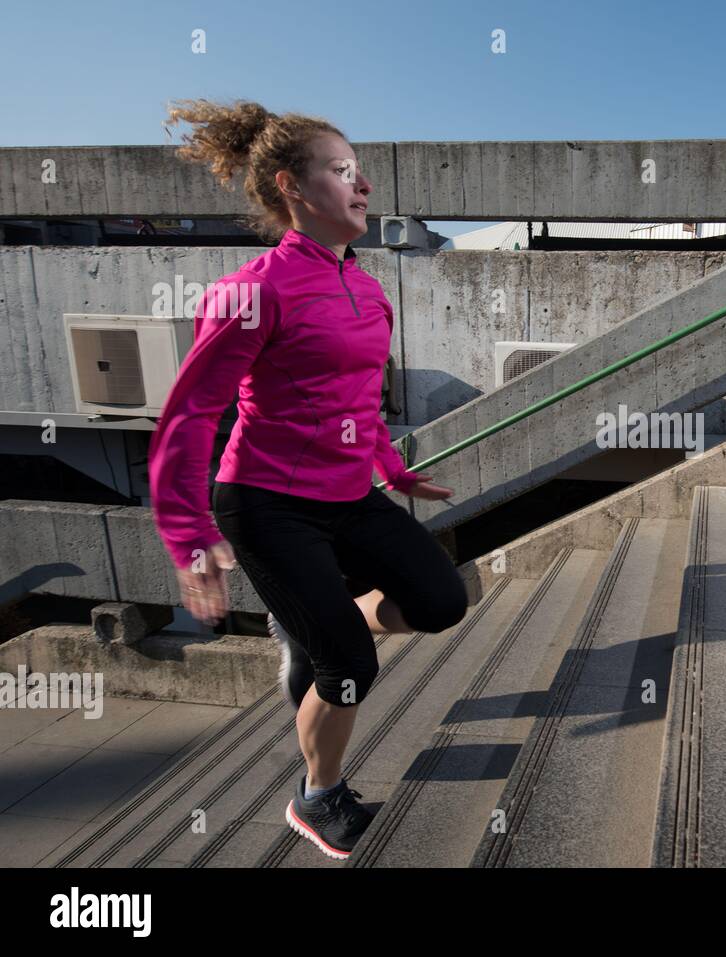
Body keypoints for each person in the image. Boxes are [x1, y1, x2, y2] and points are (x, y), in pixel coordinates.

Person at [147, 98, 469, 860]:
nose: (362, 186)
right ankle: (318, 795)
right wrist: (188, 533)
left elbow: (359, 403)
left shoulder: (368, 287)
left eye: (360, 172)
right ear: (293, 186)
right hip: (266, 503)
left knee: (443, 599)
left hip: (349, 493)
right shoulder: (251, 291)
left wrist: (392, 468)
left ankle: (313, 624)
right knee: (349, 666)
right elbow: (190, 414)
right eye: (342, 170)